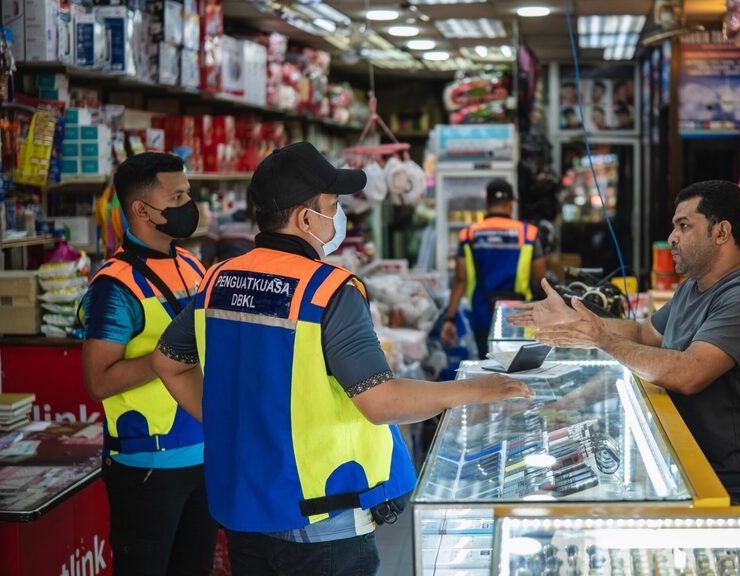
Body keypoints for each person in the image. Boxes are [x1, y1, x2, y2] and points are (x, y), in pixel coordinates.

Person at [150, 142, 533, 575]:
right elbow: (381, 401)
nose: (339, 217)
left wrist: (231, 422)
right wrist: (475, 389)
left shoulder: (219, 278)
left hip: (246, 515)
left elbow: (168, 362)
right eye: (332, 205)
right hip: (324, 521)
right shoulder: (328, 290)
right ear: (304, 217)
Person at [509, 180, 740, 505]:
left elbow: (690, 373)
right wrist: (575, 323)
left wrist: (602, 339)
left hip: (727, 493)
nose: (672, 239)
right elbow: (642, 335)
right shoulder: (691, 288)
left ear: (721, 232)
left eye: (684, 226)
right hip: (681, 473)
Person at [81, 152, 217, 575]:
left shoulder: (193, 265)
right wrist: (166, 359)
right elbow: (99, 381)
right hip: (148, 468)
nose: (188, 206)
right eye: (176, 196)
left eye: (187, 194)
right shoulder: (113, 287)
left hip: (204, 454)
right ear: (141, 209)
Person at [442, 179, 547, 358]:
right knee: (520, 368)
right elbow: (540, 279)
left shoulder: (469, 235)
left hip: (482, 314)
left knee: (488, 366)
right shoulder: (528, 233)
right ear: (510, 204)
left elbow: (461, 278)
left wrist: (450, 319)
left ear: (486, 203)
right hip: (520, 314)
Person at [201, 196, 259, 267]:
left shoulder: (272, 228)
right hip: (226, 275)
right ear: (250, 197)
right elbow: (206, 260)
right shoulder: (221, 222)